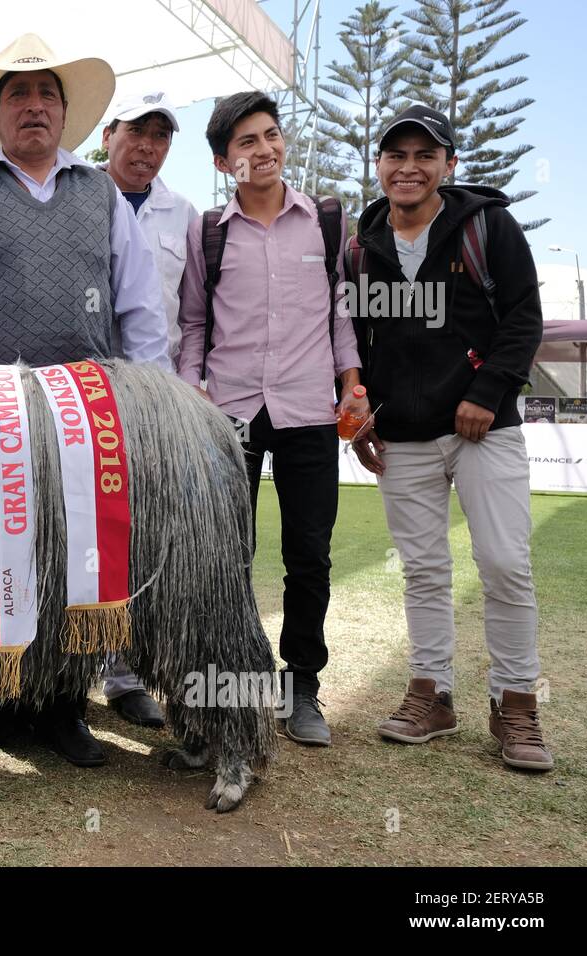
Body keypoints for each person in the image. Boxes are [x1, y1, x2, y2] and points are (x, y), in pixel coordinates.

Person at [0, 33, 169, 767]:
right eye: (17, 96)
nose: (33, 107)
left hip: (88, 416)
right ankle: (1, 704)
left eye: (46, 95)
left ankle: (63, 711)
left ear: (65, 115)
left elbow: (141, 307)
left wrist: (148, 400)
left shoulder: (102, 196)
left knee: (76, 558)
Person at [349, 105, 552, 771]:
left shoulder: (486, 226)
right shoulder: (362, 244)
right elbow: (355, 338)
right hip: (403, 435)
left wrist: (487, 392)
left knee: (504, 564)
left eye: (424, 155)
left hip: (484, 429)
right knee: (425, 572)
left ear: (449, 165)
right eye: (395, 155)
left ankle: (516, 706)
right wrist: (359, 413)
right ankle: (431, 695)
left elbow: (524, 315)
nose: (408, 167)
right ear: (378, 165)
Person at [177, 91, 367, 747]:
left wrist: (350, 382)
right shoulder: (211, 232)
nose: (264, 151)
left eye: (271, 135)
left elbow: (341, 315)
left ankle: (302, 687)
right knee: (227, 558)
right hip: (229, 413)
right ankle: (227, 685)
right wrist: (189, 391)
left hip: (311, 409)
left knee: (308, 557)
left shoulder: (325, 223)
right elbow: (195, 323)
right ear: (223, 160)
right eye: (247, 143)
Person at [95, 90, 199, 728]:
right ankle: (54, 675)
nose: (148, 147)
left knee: (136, 536)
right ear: (109, 132)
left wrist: (184, 392)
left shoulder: (183, 213)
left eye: (161, 136)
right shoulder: (77, 198)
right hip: (80, 401)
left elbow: (192, 314)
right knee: (71, 528)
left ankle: (126, 676)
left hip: (153, 402)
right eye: (138, 131)